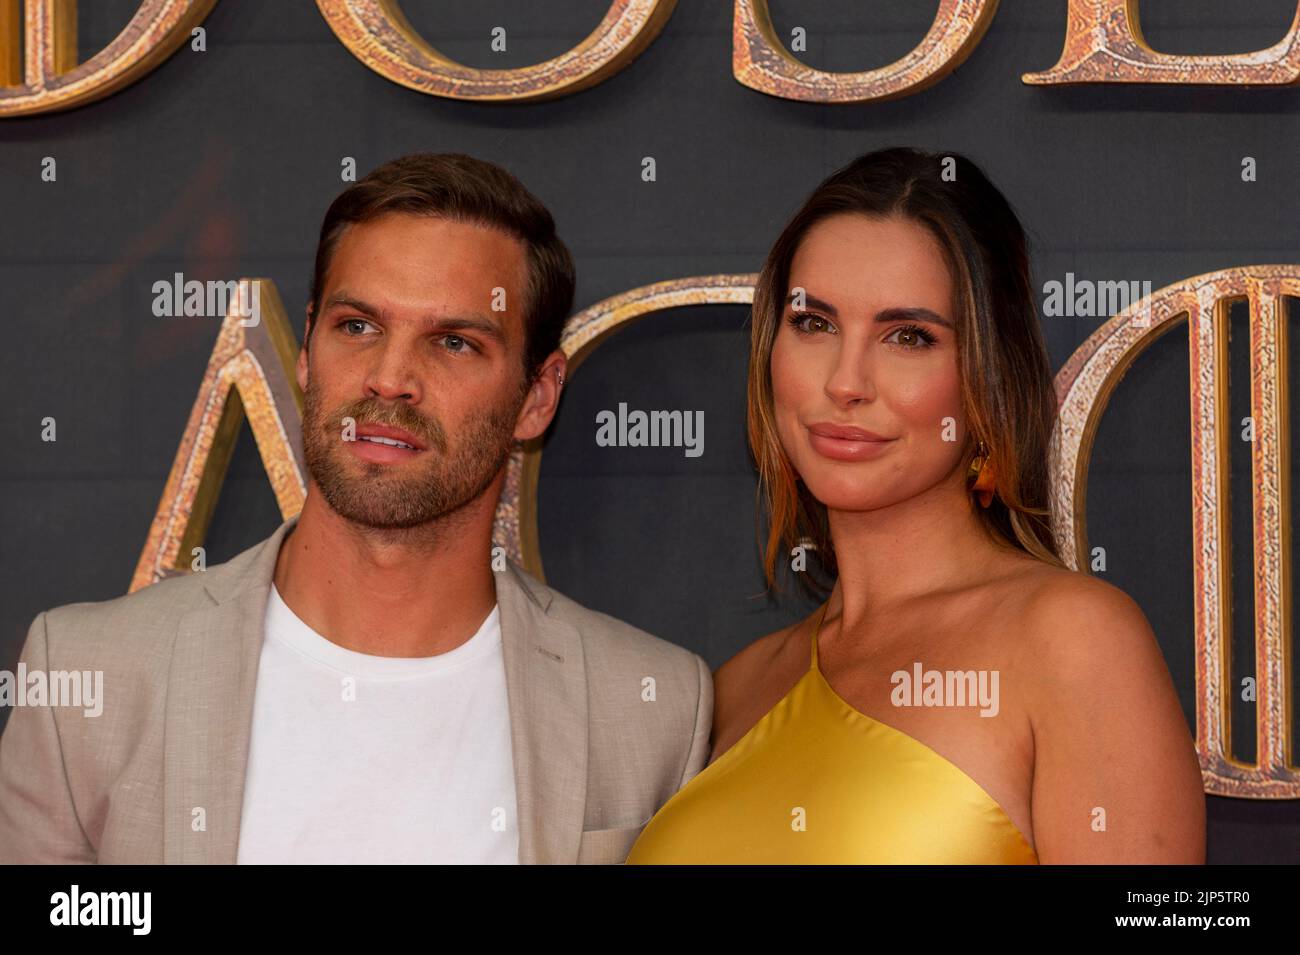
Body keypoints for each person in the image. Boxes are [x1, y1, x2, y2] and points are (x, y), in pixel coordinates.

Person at [0, 153, 711, 864]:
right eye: (358, 327)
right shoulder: (87, 681)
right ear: (307, 348)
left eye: (454, 342)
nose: (391, 378)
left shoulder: (652, 710)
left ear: (537, 396)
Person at [626, 147, 1205, 864]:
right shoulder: (737, 686)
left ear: (987, 378)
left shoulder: (1073, 640)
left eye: (908, 336)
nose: (846, 381)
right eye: (815, 324)